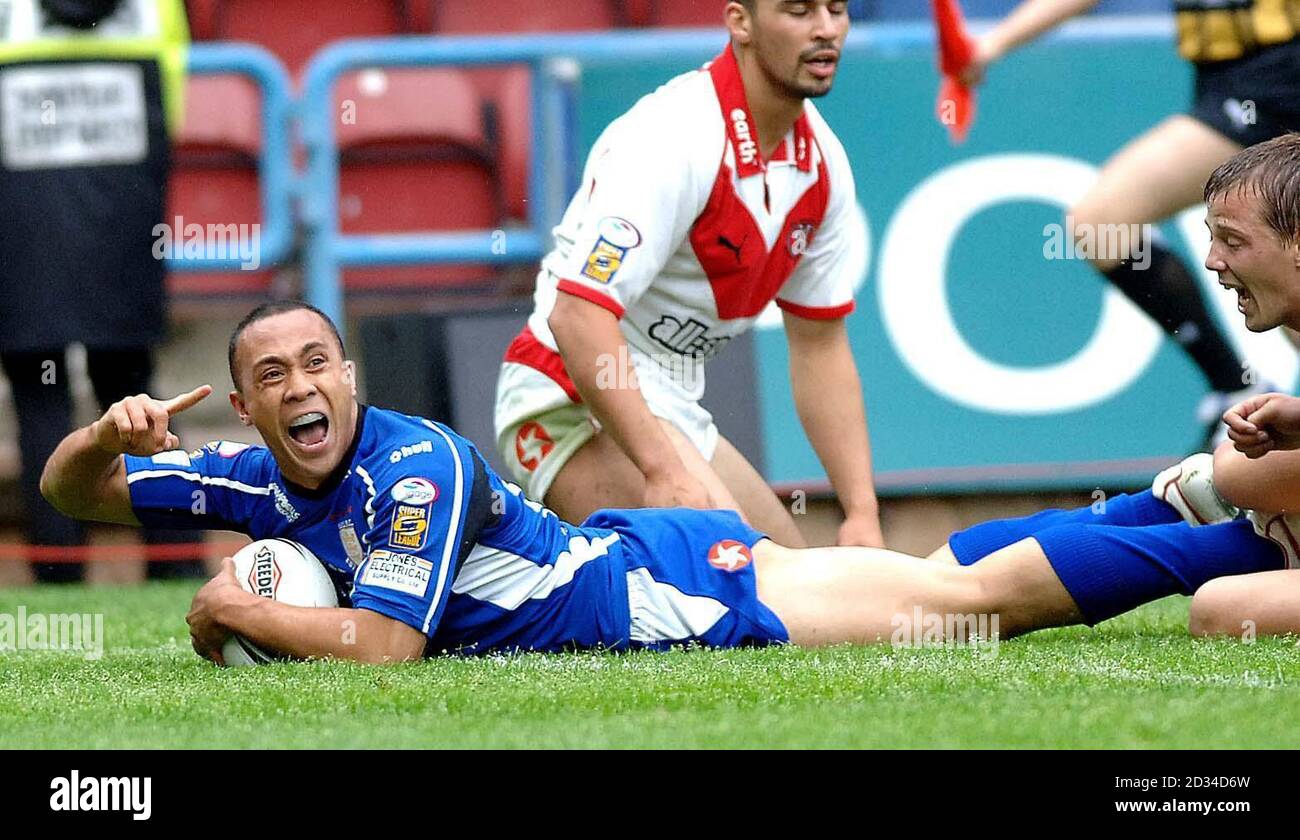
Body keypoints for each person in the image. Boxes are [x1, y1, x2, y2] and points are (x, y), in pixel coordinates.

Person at [37, 299, 1290, 665]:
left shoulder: (408, 464)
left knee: (954, 612)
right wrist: (109, 436)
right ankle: (1177, 505)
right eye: (274, 375)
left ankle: (1233, 533)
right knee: (937, 582)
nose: (302, 388)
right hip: (641, 561)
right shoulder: (257, 481)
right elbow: (72, 496)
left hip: (654, 597)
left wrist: (237, 611)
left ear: (349, 376)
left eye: (320, 361)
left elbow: (379, 650)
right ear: (248, 404)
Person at [493, 0, 883, 550]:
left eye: (836, 10)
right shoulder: (672, 137)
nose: (825, 30)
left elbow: (819, 346)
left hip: (672, 406)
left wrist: (861, 513)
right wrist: (661, 470)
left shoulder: (824, 166)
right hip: (564, 397)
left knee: (806, 585)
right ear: (739, 22)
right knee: (760, 591)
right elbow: (576, 314)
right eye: (798, 11)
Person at [961, 0, 1300, 440]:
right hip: (1221, 79)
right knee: (1102, 224)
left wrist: (992, 45)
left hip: (1279, 75)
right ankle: (1232, 386)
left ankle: (1237, 394)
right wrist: (992, 44)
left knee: (1103, 220)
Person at [0, 0, 199, 581]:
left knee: (40, 399)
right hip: (123, 222)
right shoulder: (156, 7)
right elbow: (176, 112)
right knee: (135, 392)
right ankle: (175, 560)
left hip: (21, 230)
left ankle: (57, 568)